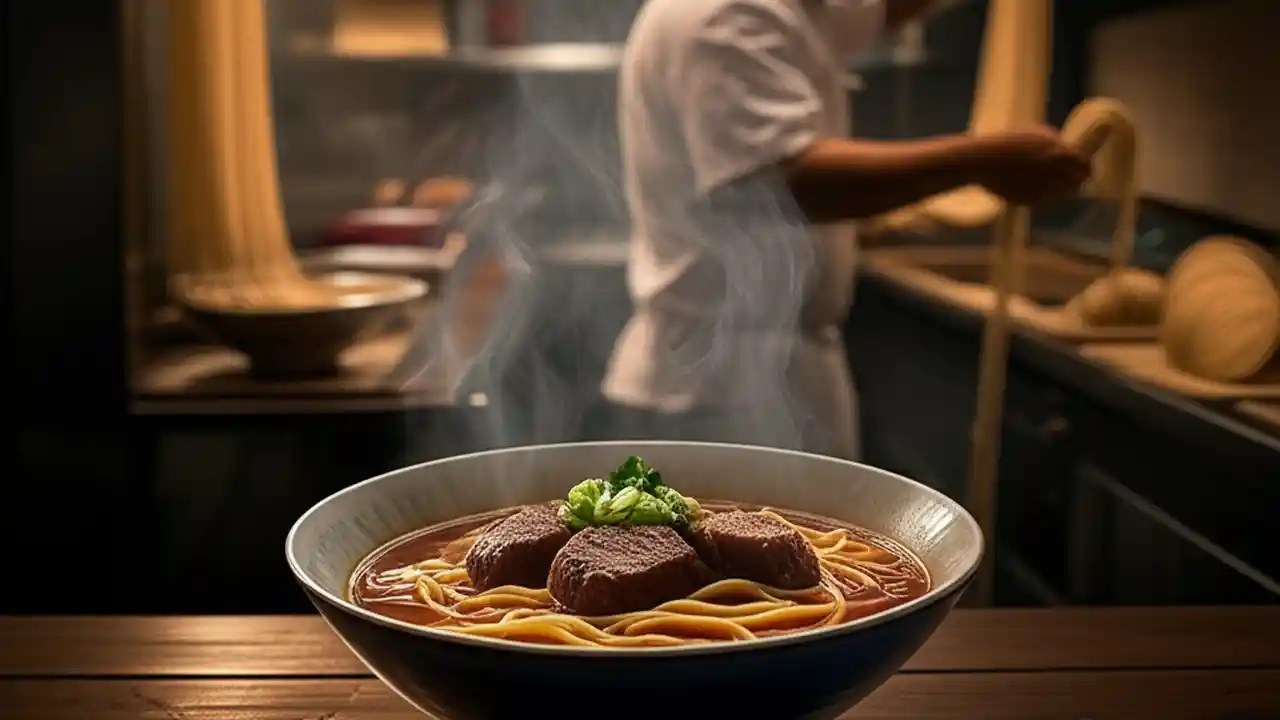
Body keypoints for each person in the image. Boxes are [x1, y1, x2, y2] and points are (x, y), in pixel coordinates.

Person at [600, 0, 1090, 459]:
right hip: (724, 387)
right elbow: (787, 179)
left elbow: (880, 9)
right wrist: (980, 160)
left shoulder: (790, 8)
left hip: (764, 374)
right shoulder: (722, 16)